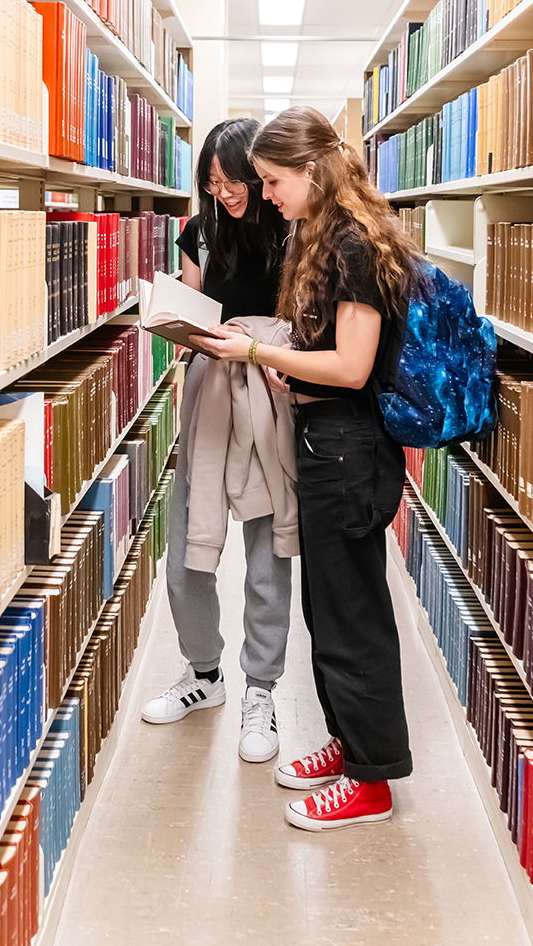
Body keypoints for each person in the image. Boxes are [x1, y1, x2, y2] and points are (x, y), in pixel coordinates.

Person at [192, 106, 424, 831]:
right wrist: (293, 371)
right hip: (326, 441)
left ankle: (372, 782)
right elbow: (331, 361)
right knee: (326, 611)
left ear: (312, 171)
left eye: (271, 180)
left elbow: (353, 368)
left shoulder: (354, 242)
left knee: (353, 618)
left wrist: (256, 354)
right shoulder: (328, 236)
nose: (265, 196)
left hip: (349, 455)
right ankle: (347, 743)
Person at [141, 117, 294, 766]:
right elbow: (195, 306)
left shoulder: (293, 228)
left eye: (235, 182)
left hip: (270, 390)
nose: (226, 194)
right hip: (209, 388)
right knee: (187, 552)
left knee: (266, 557)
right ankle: (204, 675)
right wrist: (177, 321)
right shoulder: (198, 231)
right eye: (212, 183)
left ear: (261, 177)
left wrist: (266, 348)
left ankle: (261, 691)